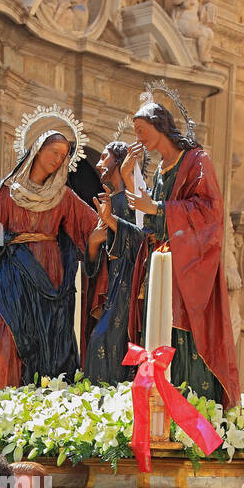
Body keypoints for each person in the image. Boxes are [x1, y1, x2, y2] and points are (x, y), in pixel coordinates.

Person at [0, 130, 106, 388]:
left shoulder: (62, 196)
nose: (57, 159)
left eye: (63, 156)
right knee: (1, 341)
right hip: (12, 275)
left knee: (46, 348)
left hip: (49, 281)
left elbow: (92, 227)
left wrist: (102, 233)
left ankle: (38, 413)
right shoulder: (9, 191)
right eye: (54, 151)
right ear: (38, 149)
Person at [120, 101, 240, 407]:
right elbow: (148, 218)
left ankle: (190, 409)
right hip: (161, 266)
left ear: (159, 125)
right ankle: (157, 407)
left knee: (181, 334)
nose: (139, 137)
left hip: (186, 268)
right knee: (157, 333)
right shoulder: (161, 170)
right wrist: (128, 177)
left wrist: (158, 208)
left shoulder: (197, 161)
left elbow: (209, 211)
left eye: (141, 129)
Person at [83, 141, 145, 383]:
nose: (98, 164)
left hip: (130, 280)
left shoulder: (133, 200)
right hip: (112, 283)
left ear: (118, 161)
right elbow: (93, 263)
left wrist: (110, 222)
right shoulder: (110, 201)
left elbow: (142, 241)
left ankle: (111, 399)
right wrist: (93, 243)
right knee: (100, 341)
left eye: (104, 157)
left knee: (104, 341)